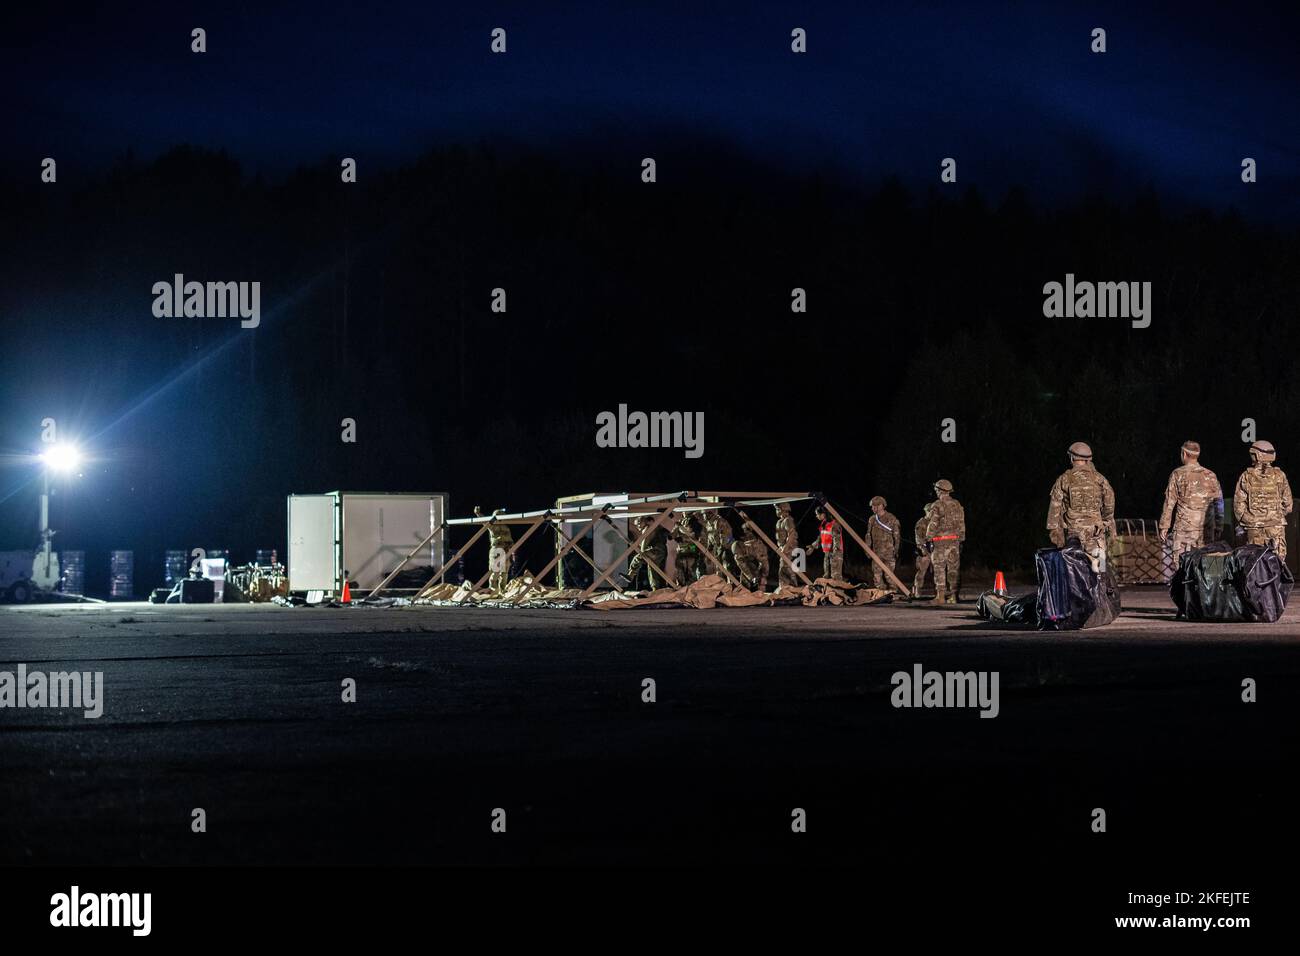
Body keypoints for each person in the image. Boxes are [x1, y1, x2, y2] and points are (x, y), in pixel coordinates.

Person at [1046, 442, 1116, 561]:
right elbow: (1109, 503)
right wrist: (1104, 521)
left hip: (1074, 534)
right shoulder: (1099, 478)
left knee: (1075, 570)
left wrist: (1055, 535)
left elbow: (1054, 509)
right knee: (1101, 565)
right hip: (1096, 532)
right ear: (1088, 460)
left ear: (1072, 458)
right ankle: (1101, 577)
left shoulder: (1064, 479)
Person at [1157, 440, 1223, 559]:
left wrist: (1164, 526)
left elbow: (1169, 502)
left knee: (1182, 567)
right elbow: (1218, 503)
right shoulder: (1211, 475)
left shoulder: (1178, 474)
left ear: (1184, 454)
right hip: (1206, 531)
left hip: (1184, 531)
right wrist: (1219, 526)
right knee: (1205, 568)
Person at [1233, 440, 1292, 558]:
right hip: (1275, 528)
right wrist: (1275, 517)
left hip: (1254, 529)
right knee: (1277, 564)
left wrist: (1252, 520)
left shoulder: (1246, 476)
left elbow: (1238, 507)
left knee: (1255, 566)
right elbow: (1288, 505)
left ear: (1256, 455)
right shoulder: (1280, 476)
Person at [925, 480, 965, 605]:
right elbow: (961, 523)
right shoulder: (957, 504)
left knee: (939, 569)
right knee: (953, 569)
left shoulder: (937, 504)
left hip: (940, 542)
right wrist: (961, 538)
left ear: (939, 490)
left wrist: (928, 537)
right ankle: (954, 596)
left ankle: (940, 596)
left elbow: (933, 523)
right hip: (954, 541)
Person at [626, 515, 671, 590]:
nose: (638, 527)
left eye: (639, 524)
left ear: (644, 521)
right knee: (653, 569)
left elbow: (644, 543)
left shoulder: (648, 528)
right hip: (661, 551)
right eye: (636, 525)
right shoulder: (658, 527)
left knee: (638, 557)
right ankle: (655, 588)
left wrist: (642, 551)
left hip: (656, 551)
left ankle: (631, 575)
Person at [475, 506, 514, 592]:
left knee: (504, 572)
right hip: (497, 548)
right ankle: (493, 589)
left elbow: (510, 539)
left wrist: (511, 549)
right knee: (495, 571)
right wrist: (478, 514)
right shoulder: (492, 525)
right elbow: (484, 521)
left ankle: (502, 589)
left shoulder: (506, 527)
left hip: (505, 549)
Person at [867, 495, 902, 592]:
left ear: (882, 505)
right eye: (872, 506)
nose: (873, 508)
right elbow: (868, 535)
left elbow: (897, 536)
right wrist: (867, 548)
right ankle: (881, 592)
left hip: (889, 552)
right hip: (876, 552)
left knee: (889, 575)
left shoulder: (891, 518)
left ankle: (893, 591)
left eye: (875, 506)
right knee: (877, 575)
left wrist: (896, 549)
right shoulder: (872, 519)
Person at [806, 505, 845, 581]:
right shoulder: (824, 524)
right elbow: (820, 538)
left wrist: (835, 554)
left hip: (835, 554)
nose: (816, 516)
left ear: (823, 514)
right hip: (827, 553)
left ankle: (837, 591)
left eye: (817, 514)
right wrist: (812, 547)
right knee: (826, 575)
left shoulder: (834, 525)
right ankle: (828, 591)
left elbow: (837, 541)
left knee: (836, 576)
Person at [732, 523, 770, 591]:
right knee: (745, 577)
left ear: (744, 548)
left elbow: (764, 562)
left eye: (741, 553)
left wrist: (764, 576)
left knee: (760, 577)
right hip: (749, 559)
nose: (740, 556)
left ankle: (761, 591)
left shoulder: (756, 547)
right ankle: (745, 592)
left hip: (759, 556)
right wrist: (751, 578)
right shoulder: (738, 555)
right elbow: (743, 567)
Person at [702, 509, 738, 578]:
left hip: (726, 547)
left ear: (709, 513)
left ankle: (731, 584)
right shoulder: (708, 524)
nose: (703, 516)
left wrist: (722, 546)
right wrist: (709, 550)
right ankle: (723, 585)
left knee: (727, 567)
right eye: (703, 514)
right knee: (719, 568)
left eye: (704, 514)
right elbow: (710, 537)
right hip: (718, 548)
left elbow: (726, 534)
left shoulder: (719, 521)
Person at [773, 501, 801, 588]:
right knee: (783, 567)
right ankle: (784, 586)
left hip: (789, 548)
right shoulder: (780, 521)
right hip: (783, 548)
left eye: (778, 509)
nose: (777, 511)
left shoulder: (788, 520)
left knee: (784, 567)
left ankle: (792, 585)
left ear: (783, 509)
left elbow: (791, 534)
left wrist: (786, 547)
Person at [670, 513, 702, 584]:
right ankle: (682, 588)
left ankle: (692, 589)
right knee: (680, 570)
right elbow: (672, 535)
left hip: (691, 549)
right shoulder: (680, 520)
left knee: (690, 571)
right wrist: (674, 533)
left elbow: (692, 535)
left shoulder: (694, 521)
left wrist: (680, 527)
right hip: (681, 549)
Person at [912, 502, 934, 599]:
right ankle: (917, 590)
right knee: (921, 571)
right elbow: (918, 538)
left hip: (935, 550)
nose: (932, 513)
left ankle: (939, 592)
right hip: (925, 550)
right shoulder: (921, 523)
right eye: (930, 511)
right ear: (926, 511)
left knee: (938, 572)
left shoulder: (936, 522)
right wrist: (923, 549)